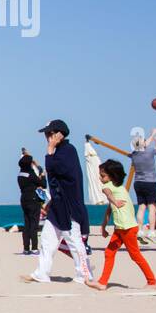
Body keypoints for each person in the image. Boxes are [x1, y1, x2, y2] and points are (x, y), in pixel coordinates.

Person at [23, 119, 94, 286]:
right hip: (58, 204)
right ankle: (42, 272)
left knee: (73, 239)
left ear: (59, 134)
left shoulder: (68, 150)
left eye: (50, 133)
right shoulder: (58, 151)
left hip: (69, 204)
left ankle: (85, 274)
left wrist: (50, 151)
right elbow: (54, 178)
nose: (47, 136)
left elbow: (59, 170)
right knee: (47, 240)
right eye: (47, 134)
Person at [86, 159, 156, 291]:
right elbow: (109, 207)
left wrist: (115, 201)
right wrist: (103, 225)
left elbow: (108, 193)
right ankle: (102, 283)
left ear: (112, 177)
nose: (100, 178)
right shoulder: (120, 188)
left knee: (135, 255)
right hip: (120, 229)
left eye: (103, 175)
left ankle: (152, 282)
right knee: (109, 252)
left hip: (127, 228)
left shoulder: (109, 187)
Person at [128, 129, 156, 243]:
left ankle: (140, 230)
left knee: (142, 207)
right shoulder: (150, 151)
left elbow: (143, 144)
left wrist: (152, 135)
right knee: (152, 208)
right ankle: (152, 231)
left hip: (138, 183)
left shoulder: (134, 154)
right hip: (150, 182)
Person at [17, 153, 45, 254]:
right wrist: (42, 176)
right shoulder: (31, 174)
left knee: (27, 223)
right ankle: (34, 247)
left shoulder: (20, 174)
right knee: (34, 223)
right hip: (33, 199)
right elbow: (43, 184)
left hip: (24, 198)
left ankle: (26, 248)